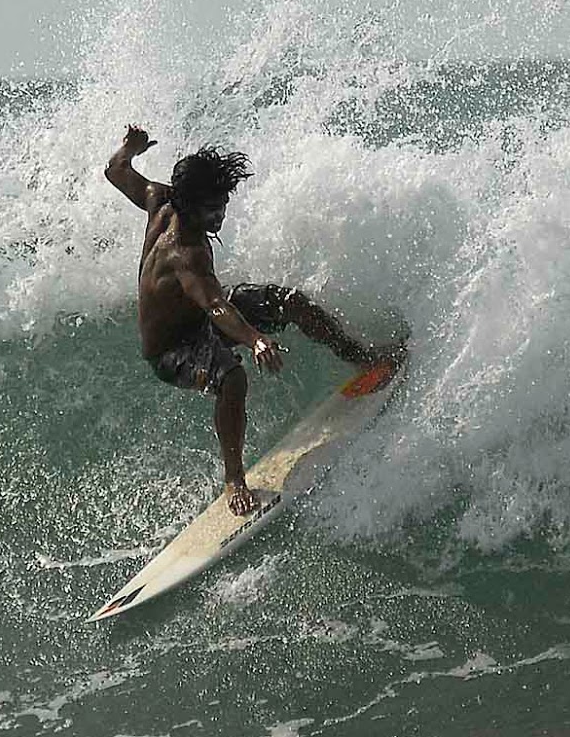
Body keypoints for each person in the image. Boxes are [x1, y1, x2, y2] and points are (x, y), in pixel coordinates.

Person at [106, 125, 398, 517]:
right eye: (212, 210)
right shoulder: (185, 253)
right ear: (189, 205)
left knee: (290, 302)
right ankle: (234, 479)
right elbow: (215, 305)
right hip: (173, 350)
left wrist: (129, 148)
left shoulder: (159, 197)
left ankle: (361, 357)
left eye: (222, 205)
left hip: (198, 318)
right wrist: (255, 339)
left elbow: (116, 170)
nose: (220, 215)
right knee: (232, 377)